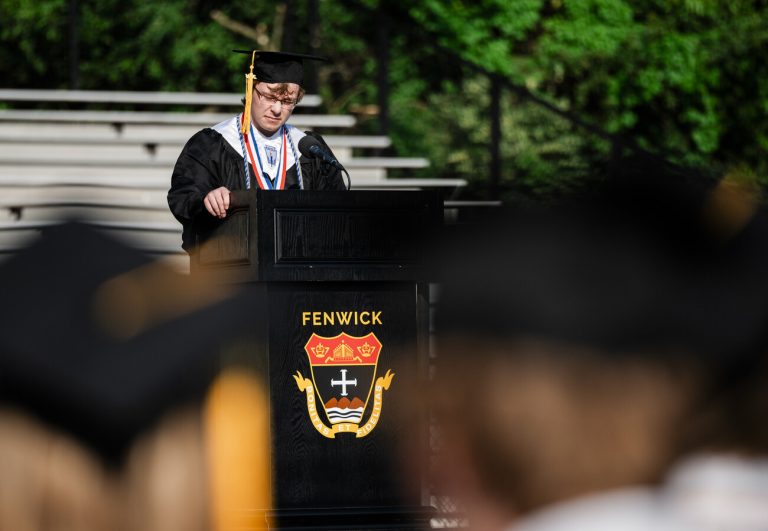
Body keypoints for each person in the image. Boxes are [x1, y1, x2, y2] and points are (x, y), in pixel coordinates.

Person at [167, 50, 347, 252]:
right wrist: (206, 199)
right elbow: (182, 197)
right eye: (270, 96)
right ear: (250, 90)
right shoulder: (212, 144)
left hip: (298, 271)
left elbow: (338, 213)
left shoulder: (309, 149)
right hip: (231, 271)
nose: (277, 109)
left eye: (288, 101)